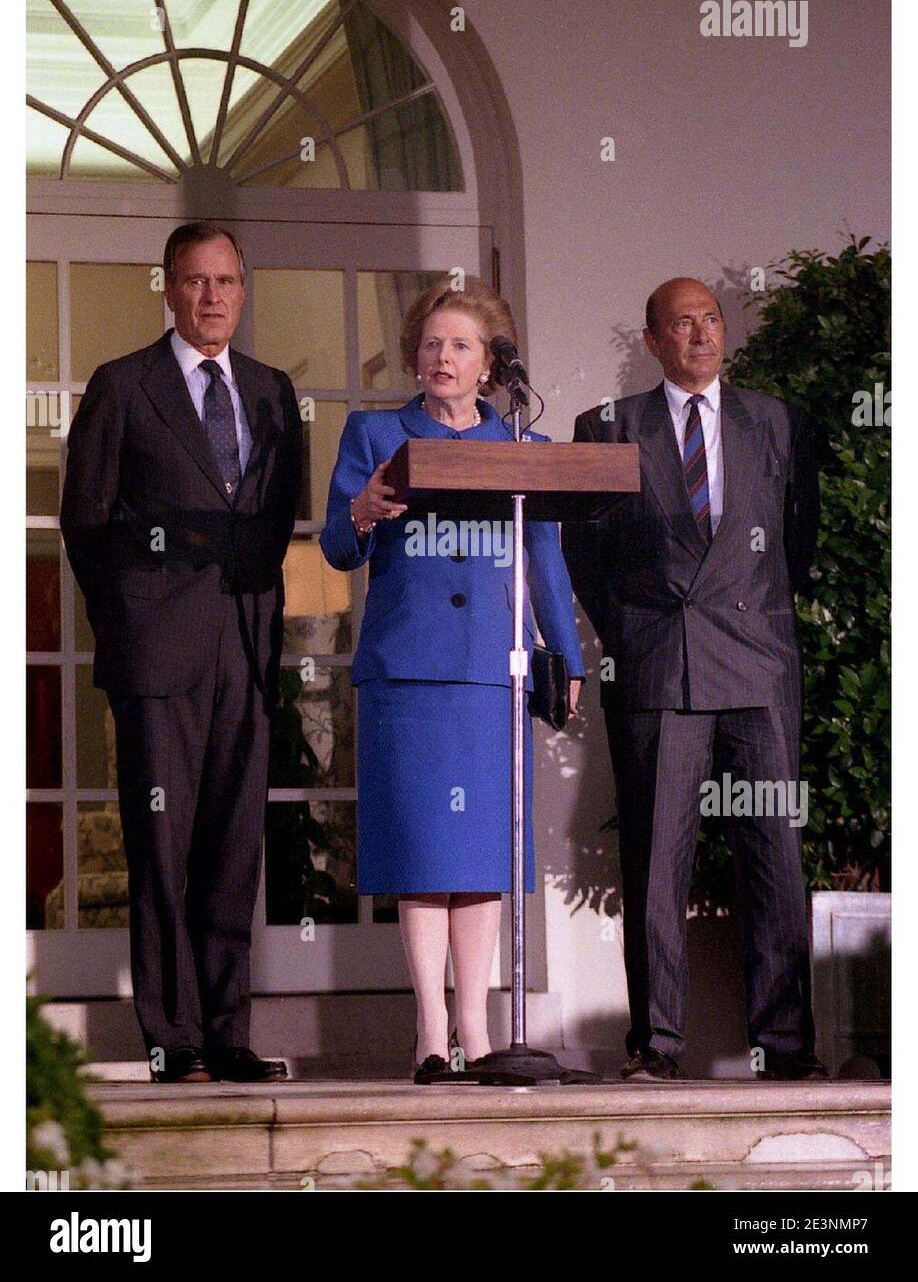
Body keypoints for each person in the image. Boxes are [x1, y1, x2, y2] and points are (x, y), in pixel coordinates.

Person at [562, 277, 828, 1082]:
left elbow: (798, 543)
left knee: (775, 859)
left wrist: (759, 622)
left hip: (757, 663)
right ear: (652, 340)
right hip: (658, 663)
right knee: (656, 863)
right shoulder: (608, 427)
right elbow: (585, 554)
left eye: (711, 319)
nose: (701, 334)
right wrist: (637, 629)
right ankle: (659, 1047)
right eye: (682, 323)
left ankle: (786, 1048)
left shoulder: (777, 422)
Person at [320, 277, 584, 1082]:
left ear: (489, 362)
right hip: (409, 672)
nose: (443, 357)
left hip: (490, 674)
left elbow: (546, 560)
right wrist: (363, 507)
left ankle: (478, 1023)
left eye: (461, 345)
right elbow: (338, 546)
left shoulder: (523, 447)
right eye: (432, 343)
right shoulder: (375, 433)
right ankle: (431, 1032)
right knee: (422, 852)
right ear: (415, 354)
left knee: (479, 856)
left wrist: (566, 656)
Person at [60, 222, 302, 1084]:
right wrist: (131, 622)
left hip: (246, 644)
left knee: (235, 846)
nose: (211, 297)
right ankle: (173, 1037)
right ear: (167, 288)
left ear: (244, 289)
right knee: (161, 845)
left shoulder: (274, 395)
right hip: (158, 656)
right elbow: (85, 525)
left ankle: (227, 1031)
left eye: (226, 282)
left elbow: (276, 525)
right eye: (195, 281)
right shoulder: (124, 387)